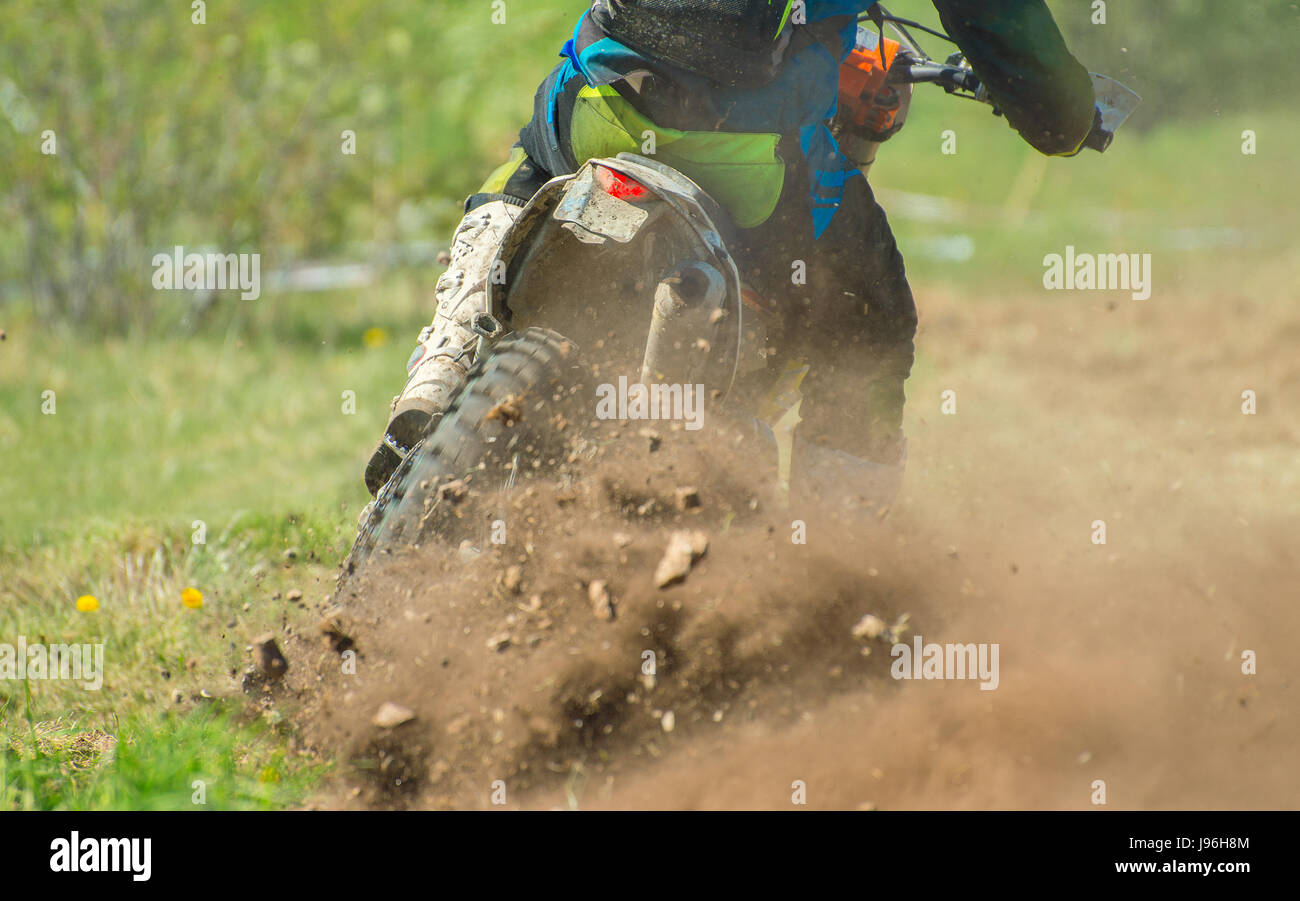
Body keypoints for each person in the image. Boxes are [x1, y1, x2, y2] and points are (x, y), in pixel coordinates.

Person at [364, 0, 1103, 498]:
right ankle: (838, 571)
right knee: (871, 320)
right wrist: (1066, 119)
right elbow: (1018, 51)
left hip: (596, 110)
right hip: (750, 165)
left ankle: (446, 359)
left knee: (523, 172)